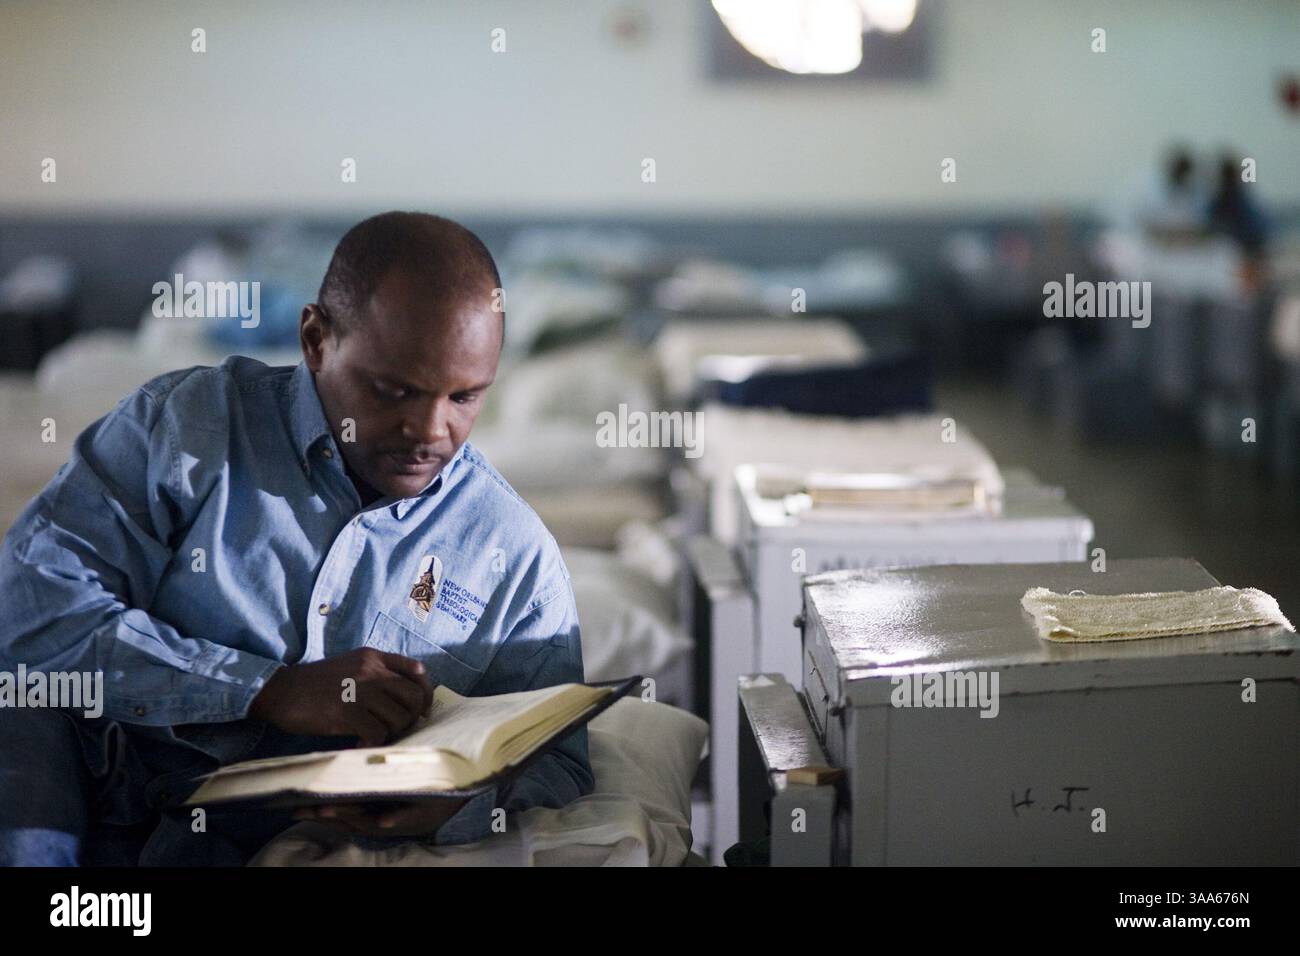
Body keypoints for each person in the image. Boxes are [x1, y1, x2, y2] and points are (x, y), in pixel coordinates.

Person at [0, 211, 593, 865]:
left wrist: (456, 806)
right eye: (395, 390)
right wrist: (264, 689)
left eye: (465, 397)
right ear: (316, 339)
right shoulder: (187, 429)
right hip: (77, 797)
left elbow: (559, 764)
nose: (430, 431)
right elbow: (29, 615)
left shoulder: (513, 555)